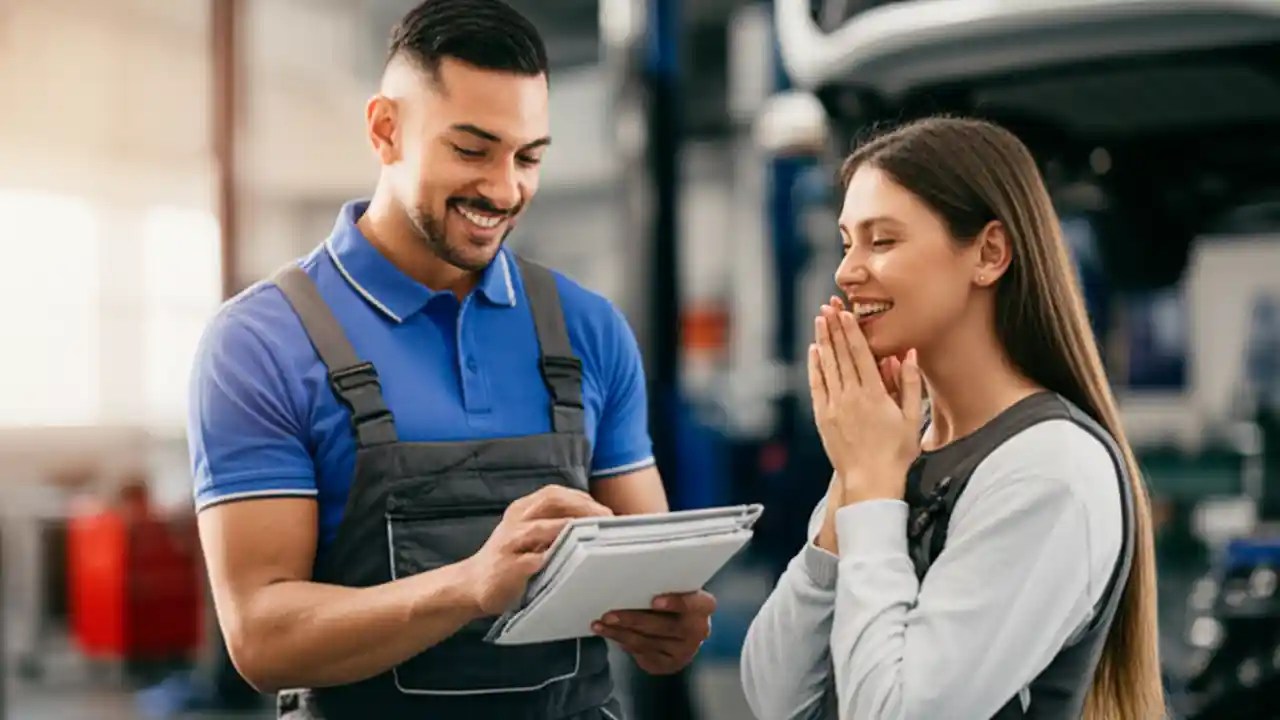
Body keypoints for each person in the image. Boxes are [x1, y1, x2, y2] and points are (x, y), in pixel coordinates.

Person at [186, 2, 715, 718]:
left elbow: (650, 579)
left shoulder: (589, 330)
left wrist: (670, 626)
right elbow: (262, 638)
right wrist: (470, 587)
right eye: (472, 150)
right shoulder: (261, 344)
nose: (504, 190)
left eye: (528, 157)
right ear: (385, 130)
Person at [739, 117, 1166, 720]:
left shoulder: (1049, 472)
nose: (846, 272)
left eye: (881, 241)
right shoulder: (892, 451)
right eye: (846, 243)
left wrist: (870, 490)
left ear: (989, 254)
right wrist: (850, 486)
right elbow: (776, 697)